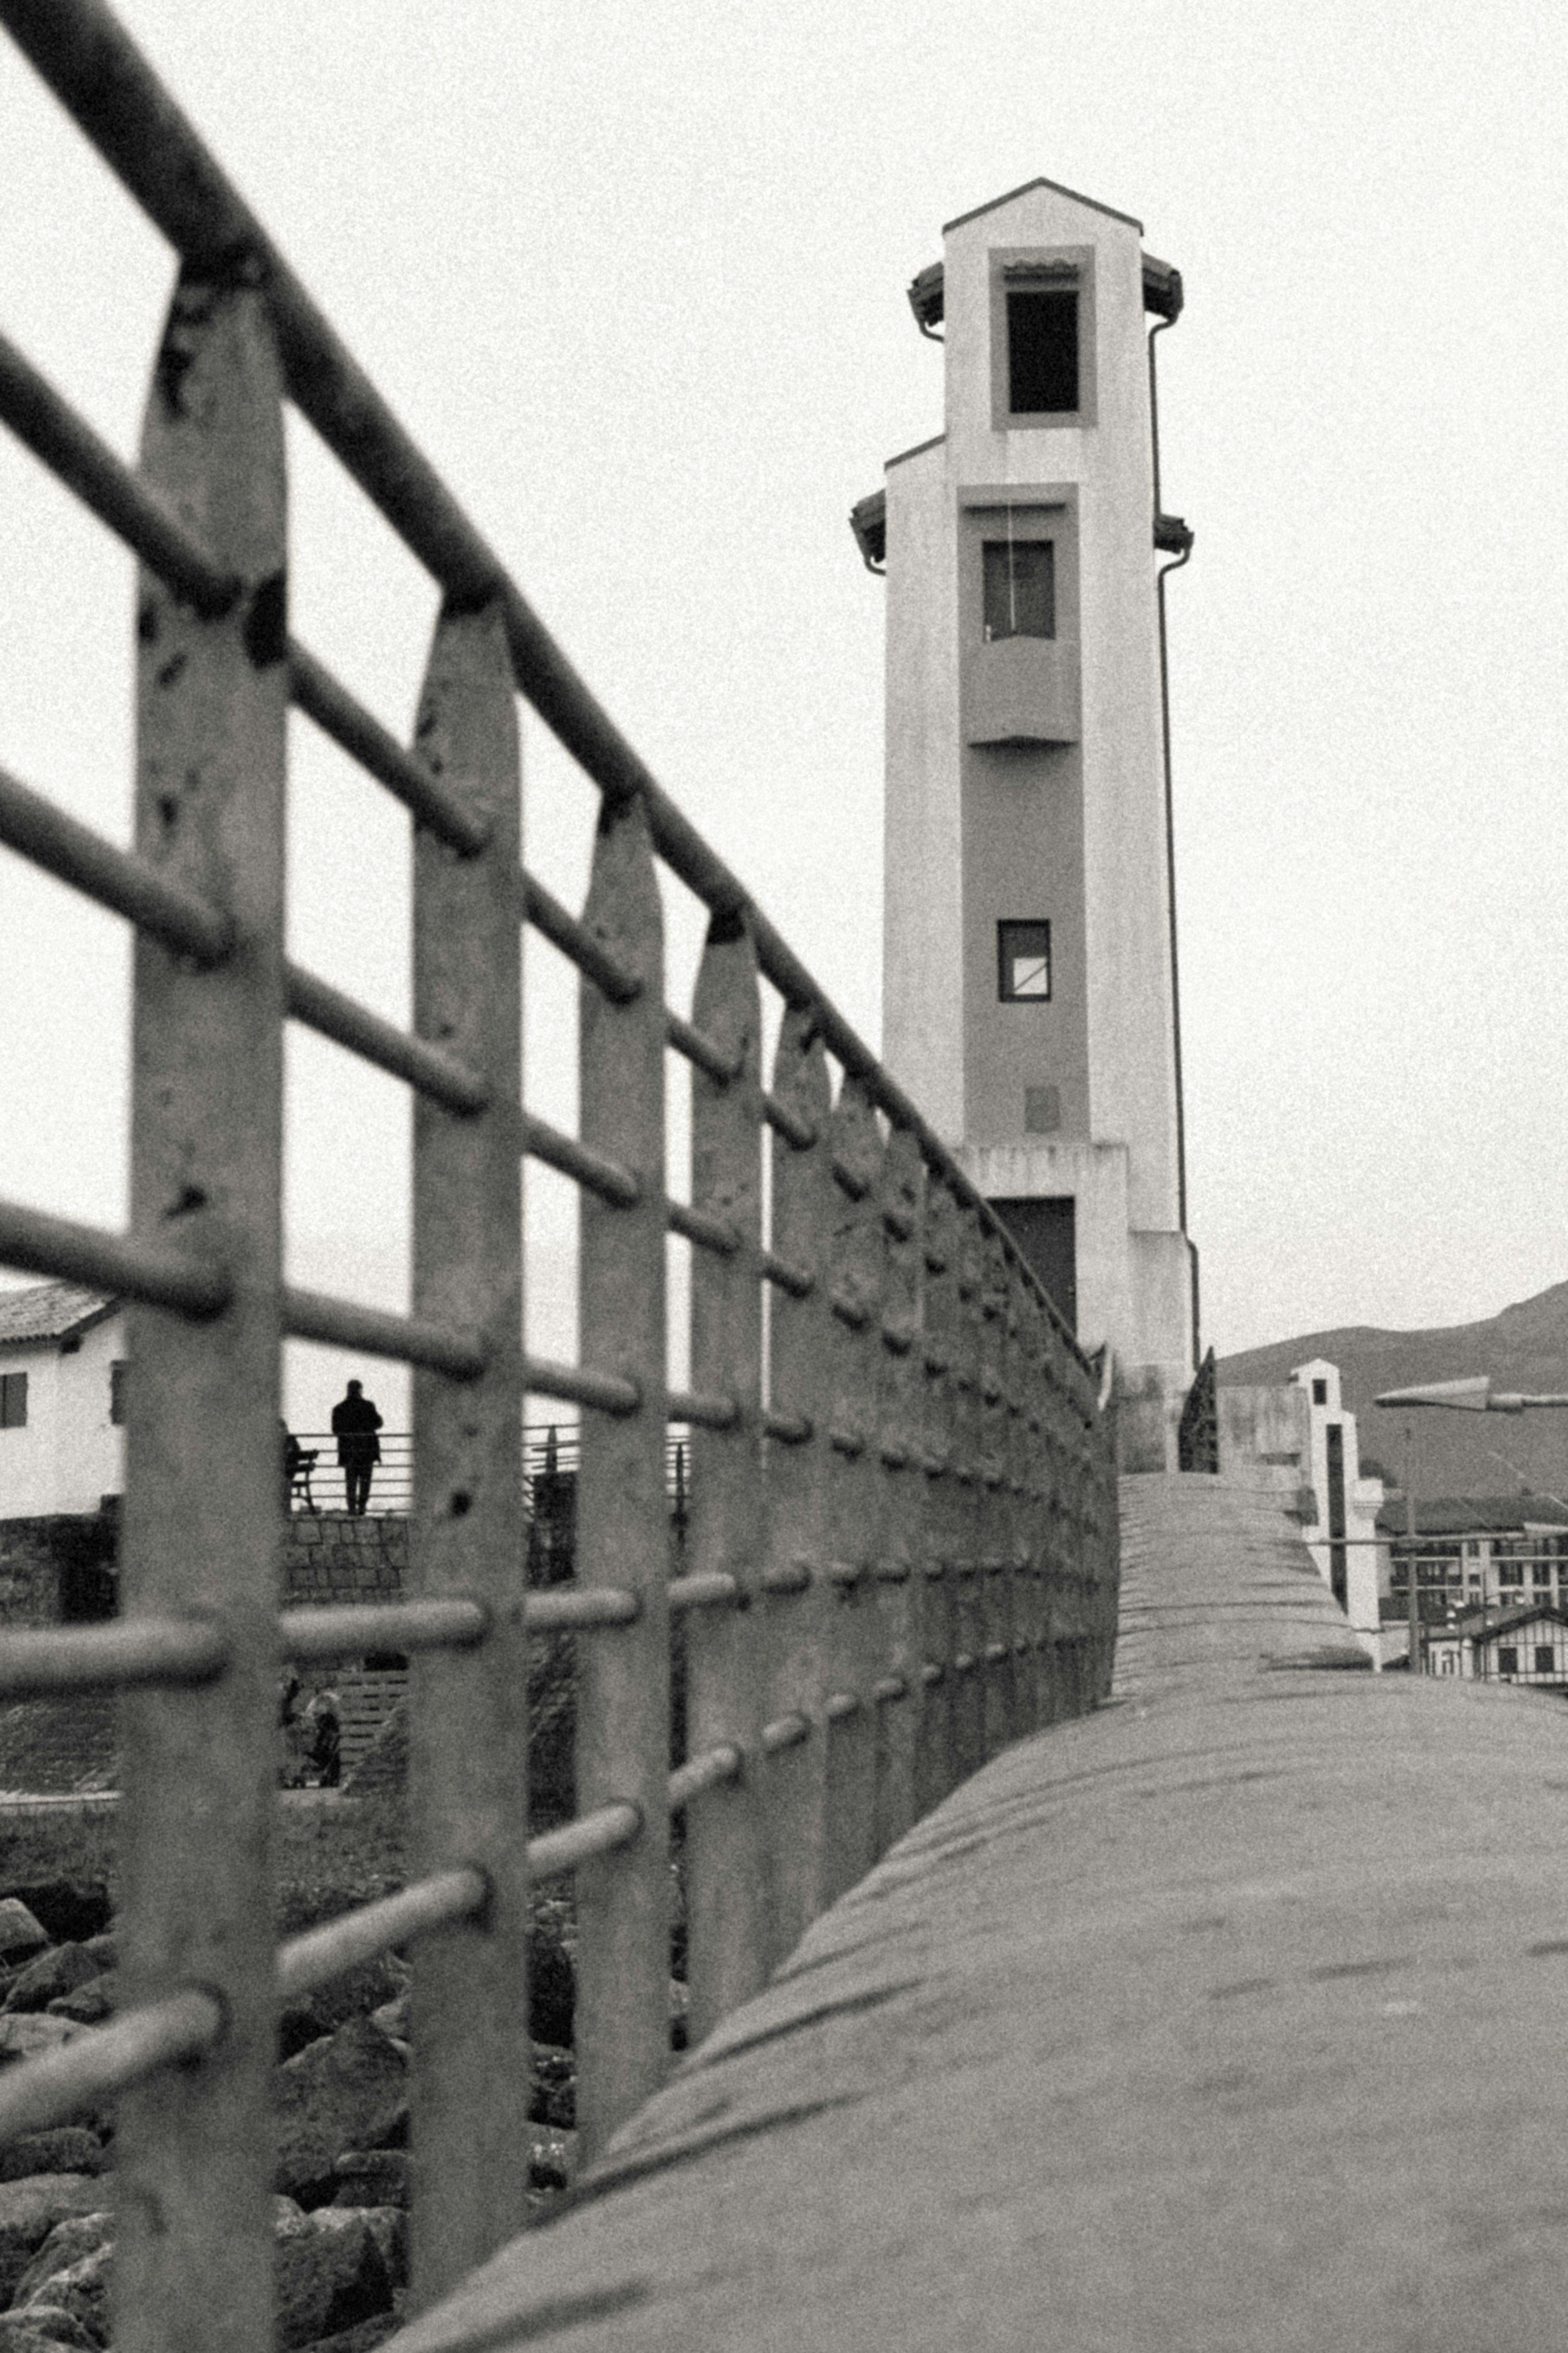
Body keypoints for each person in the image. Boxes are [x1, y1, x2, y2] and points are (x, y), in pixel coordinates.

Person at [330, 1379, 383, 1516]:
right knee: (365, 1482)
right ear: (360, 1390)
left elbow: (336, 1430)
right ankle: (362, 1508)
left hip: (349, 1451)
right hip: (367, 1450)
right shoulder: (368, 1406)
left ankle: (352, 1509)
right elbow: (379, 1423)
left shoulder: (339, 1409)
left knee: (351, 1482)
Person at [304, 1688, 341, 1789]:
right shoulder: (319, 1705)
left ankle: (330, 1775)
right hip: (325, 1740)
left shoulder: (328, 1705)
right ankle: (330, 1775)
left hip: (330, 1736)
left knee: (331, 1751)